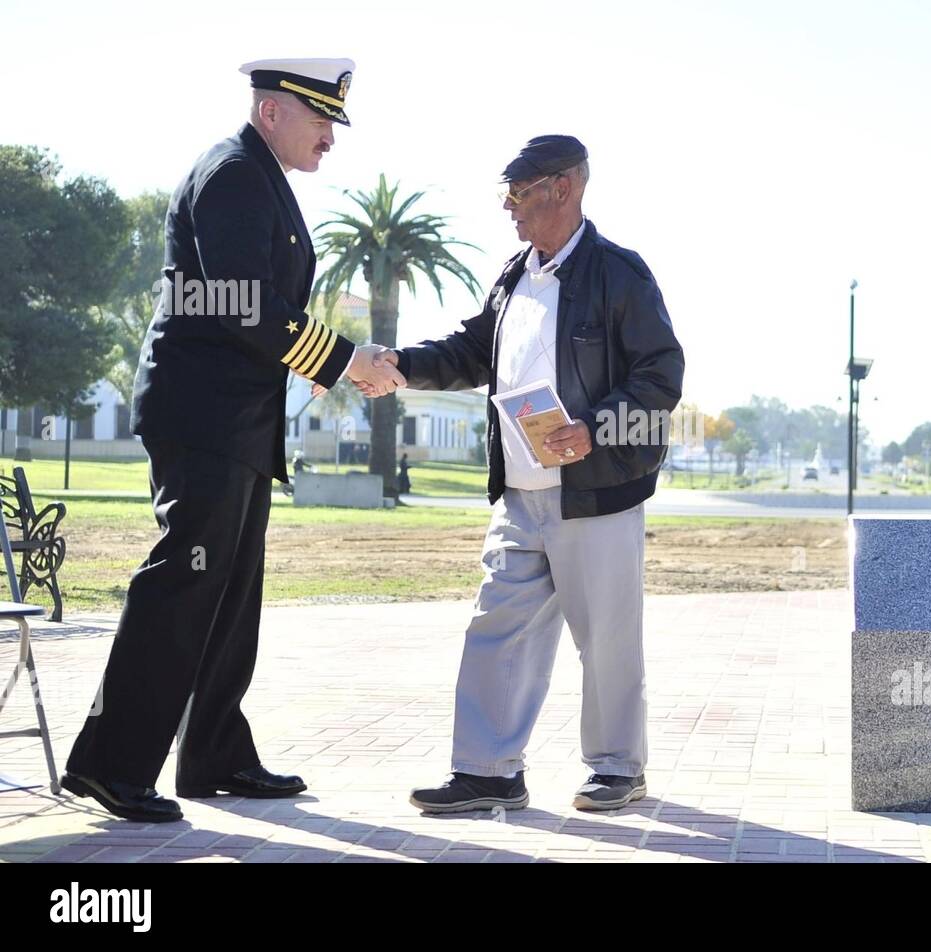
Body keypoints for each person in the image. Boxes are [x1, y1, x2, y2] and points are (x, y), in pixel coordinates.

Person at [61, 58, 405, 823]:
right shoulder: (234, 175)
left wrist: (315, 361)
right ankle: (111, 766)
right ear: (274, 110)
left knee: (229, 592)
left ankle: (215, 753)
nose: (331, 138)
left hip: (236, 421)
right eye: (322, 120)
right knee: (184, 579)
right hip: (203, 418)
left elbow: (261, 309)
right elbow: (245, 307)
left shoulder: (257, 177)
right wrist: (344, 359)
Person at [380, 135, 684, 814]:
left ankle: (616, 767)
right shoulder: (515, 275)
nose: (509, 208)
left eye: (521, 193)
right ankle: (489, 771)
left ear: (565, 188)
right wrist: (399, 363)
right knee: (497, 627)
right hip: (520, 493)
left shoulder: (619, 275)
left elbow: (660, 374)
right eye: (506, 194)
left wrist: (596, 427)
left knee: (605, 641)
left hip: (596, 494)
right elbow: (469, 351)